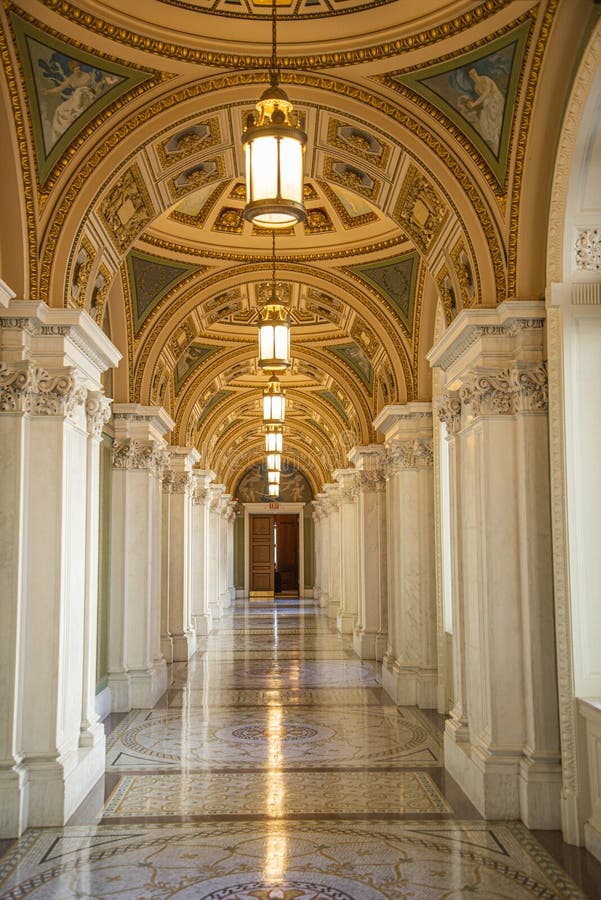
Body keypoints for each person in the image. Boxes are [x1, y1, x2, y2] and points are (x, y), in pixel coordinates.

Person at [458, 67, 504, 153]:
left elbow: (486, 94)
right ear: (470, 76)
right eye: (472, 74)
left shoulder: (485, 79)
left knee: (489, 108)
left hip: (495, 99)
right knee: (484, 118)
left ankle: (495, 135)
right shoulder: (476, 87)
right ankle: (491, 137)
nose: (474, 75)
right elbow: (483, 99)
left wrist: (474, 104)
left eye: (474, 72)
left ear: (476, 72)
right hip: (487, 104)